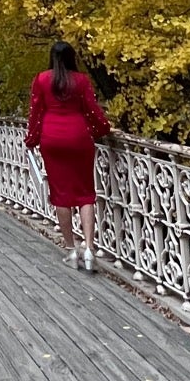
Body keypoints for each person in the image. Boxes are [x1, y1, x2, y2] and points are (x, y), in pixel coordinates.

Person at [25, 41, 110, 271]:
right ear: (72, 57)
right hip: (78, 137)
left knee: (61, 194)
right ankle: (90, 249)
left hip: (52, 139)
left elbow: (36, 112)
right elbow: (92, 109)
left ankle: (71, 250)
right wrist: (103, 129)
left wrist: (31, 139)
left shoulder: (42, 79)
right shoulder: (81, 80)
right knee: (85, 194)